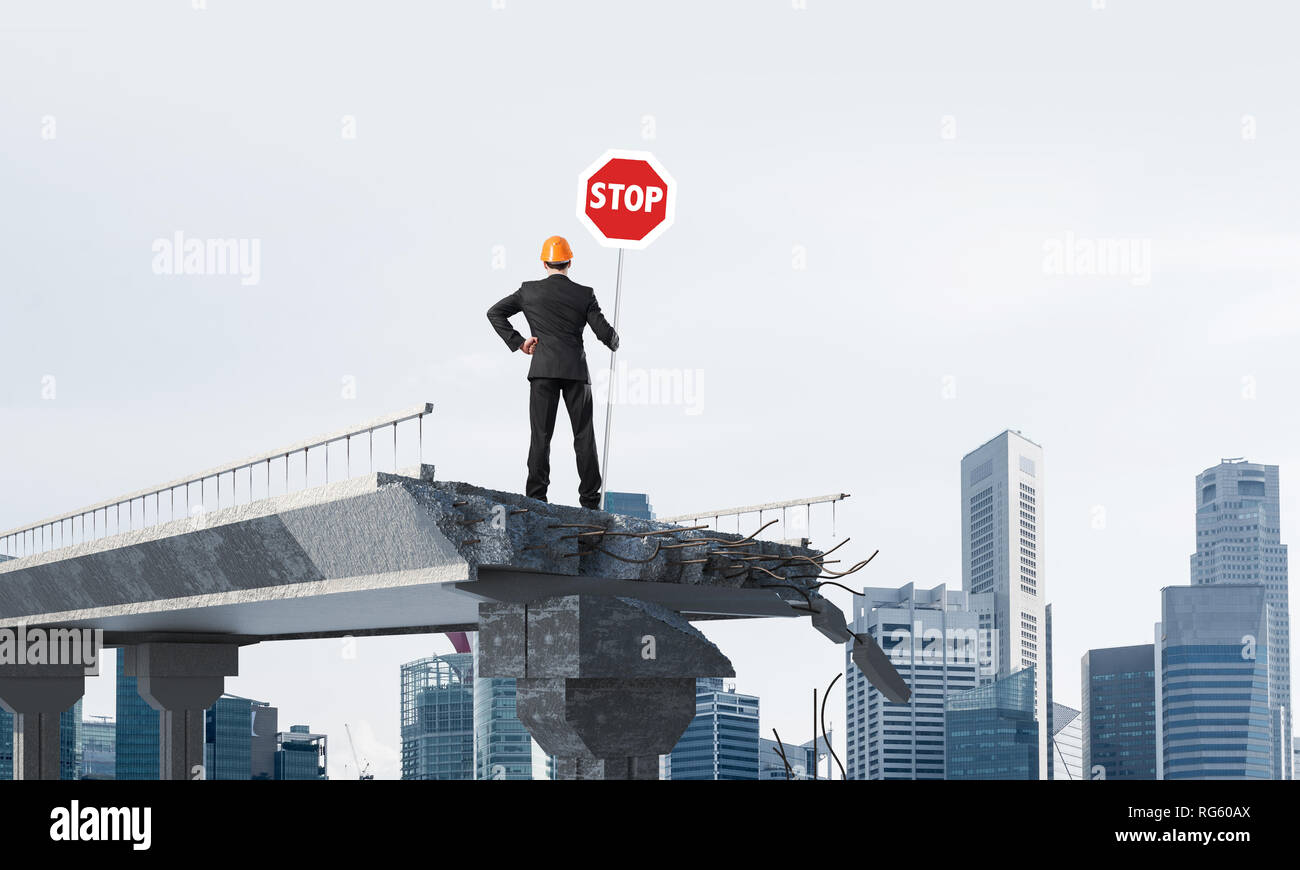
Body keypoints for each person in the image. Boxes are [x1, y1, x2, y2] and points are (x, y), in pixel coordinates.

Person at [486, 235, 619, 509]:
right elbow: (604, 332)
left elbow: (494, 313)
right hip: (575, 371)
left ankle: (536, 498)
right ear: (569, 262)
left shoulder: (529, 291)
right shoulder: (584, 294)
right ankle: (590, 502)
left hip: (543, 370)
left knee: (541, 436)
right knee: (583, 436)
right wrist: (614, 341)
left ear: (544, 262)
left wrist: (519, 342)